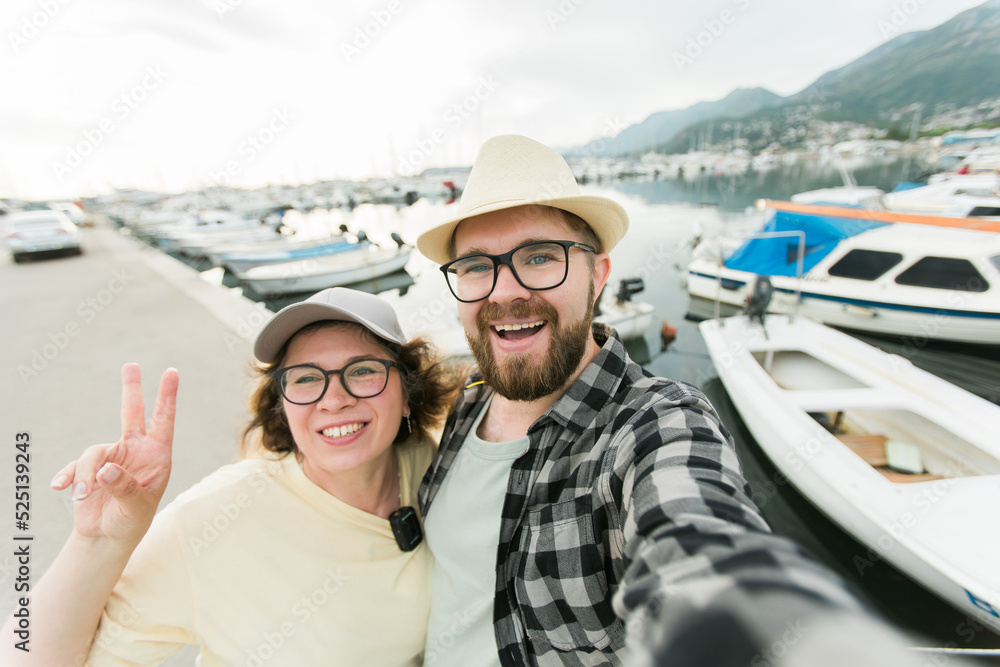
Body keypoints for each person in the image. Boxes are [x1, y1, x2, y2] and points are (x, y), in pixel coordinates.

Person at [412, 135, 925, 666]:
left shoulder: (653, 425)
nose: (501, 291)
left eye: (540, 256)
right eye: (475, 266)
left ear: (599, 275)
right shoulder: (469, 400)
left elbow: (701, 547)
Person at [2, 287, 457, 666]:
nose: (333, 400)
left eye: (362, 371)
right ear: (282, 404)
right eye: (304, 378)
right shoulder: (214, 519)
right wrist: (97, 542)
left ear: (407, 395)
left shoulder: (428, 462)